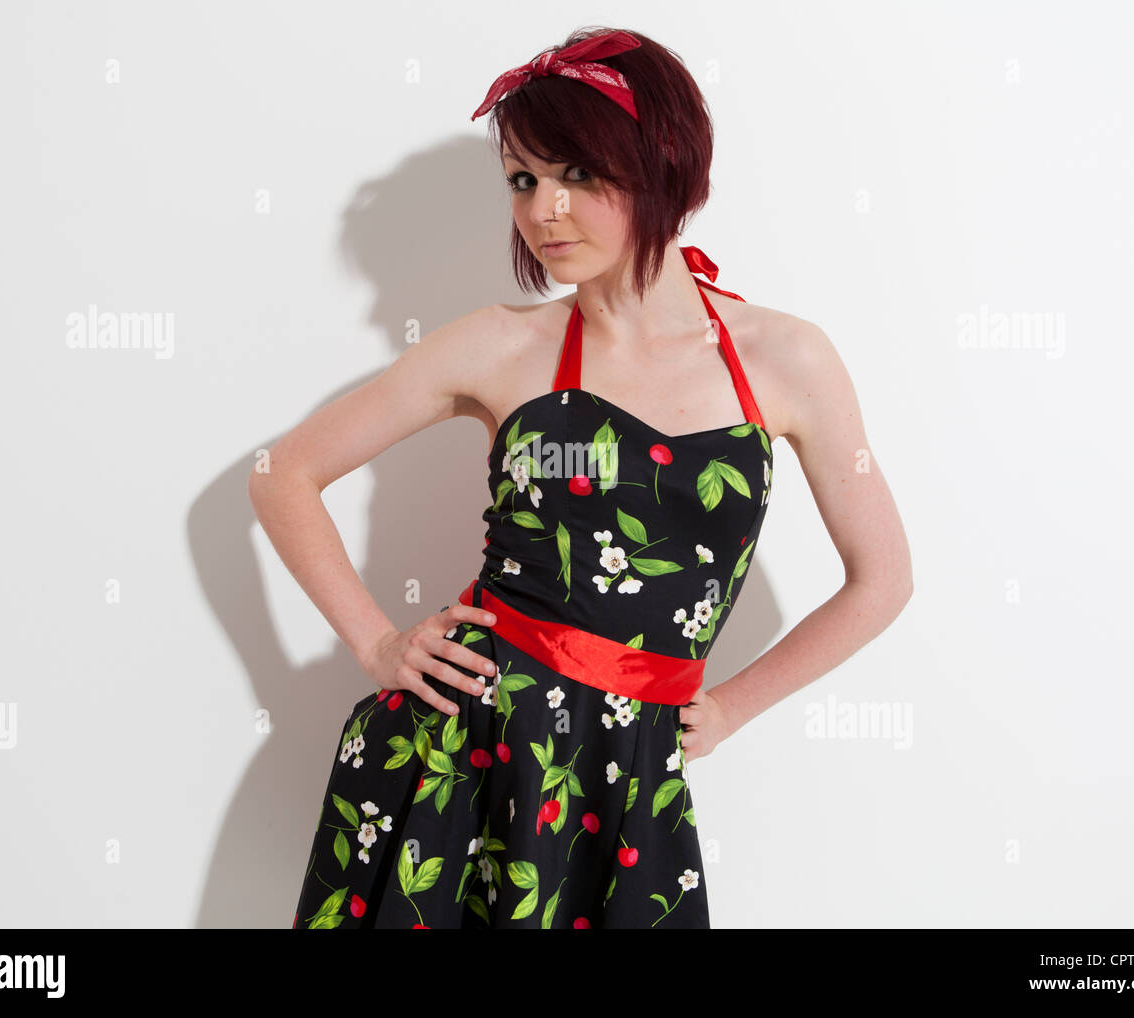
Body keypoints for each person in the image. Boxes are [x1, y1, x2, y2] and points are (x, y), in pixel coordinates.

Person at [249, 25, 912, 929]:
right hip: (461, 759)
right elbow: (283, 473)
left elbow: (883, 580)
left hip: (630, 783)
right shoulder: (501, 346)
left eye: (578, 174)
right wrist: (377, 646)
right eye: (523, 179)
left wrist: (728, 709)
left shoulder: (786, 358)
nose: (544, 211)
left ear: (664, 166)